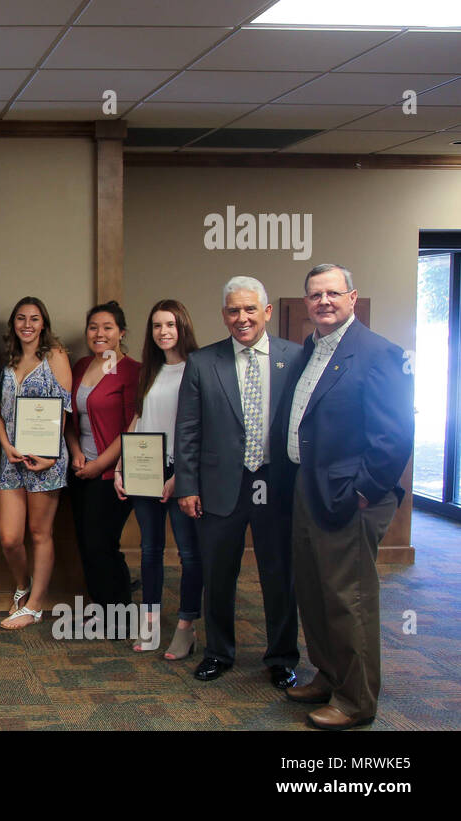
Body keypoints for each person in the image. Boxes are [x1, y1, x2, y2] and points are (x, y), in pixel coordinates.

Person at [275, 264, 412, 730]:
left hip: (349, 497)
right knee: (313, 592)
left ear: (353, 298)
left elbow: (394, 437)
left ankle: (355, 702)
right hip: (309, 487)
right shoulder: (311, 348)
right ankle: (328, 675)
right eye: (315, 295)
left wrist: (362, 492)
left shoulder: (379, 354)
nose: (324, 302)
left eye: (333, 293)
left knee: (348, 598)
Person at [174, 277, 300, 688]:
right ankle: (218, 653)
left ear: (265, 312)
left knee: (279, 575)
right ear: (224, 315)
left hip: (276, 484)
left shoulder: (295, 358)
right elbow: (187, 430)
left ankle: (281, 656)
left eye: (250, 309)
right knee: (219, 574)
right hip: (219, 486)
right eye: (233, 310)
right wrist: (188, 485)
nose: (241, 318)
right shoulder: (202, 362)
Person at [114, 300, 201, 658]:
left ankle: (185, 627)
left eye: (170, 324)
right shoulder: (148, 371)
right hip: (145, 468)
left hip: (181, 471)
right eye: (156, 326)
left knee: (188, 553)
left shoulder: (199, 369)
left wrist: (181, 475)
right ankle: (149, 623)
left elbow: (203, 430)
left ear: (182, 327)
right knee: (149, 551)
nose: (163, 332)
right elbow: (138, 420)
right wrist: (121, 465)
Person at [0, 297, 71, 629]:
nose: (27, 324)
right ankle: (22, 587)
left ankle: (36, 604)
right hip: (11, 459)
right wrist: (7, 445)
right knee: (10, 538)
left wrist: (51, 453)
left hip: (47, 461)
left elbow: (64, 409)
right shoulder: (7, 361)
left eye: (34, 319)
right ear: (13, 324)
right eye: (21, 318)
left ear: (43, 324)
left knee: (40, 533)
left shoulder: (55, 356)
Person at [65, 301, 139, 608]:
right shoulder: (81, 366)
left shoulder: (133, 371)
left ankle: (119, 610)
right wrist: (76, 453)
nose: (99, 333)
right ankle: (99, 606)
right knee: (85, 543)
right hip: (80, 468)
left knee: (102, 544)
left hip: (113, 473)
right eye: (93, 327)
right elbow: (69, 419)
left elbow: (131, 428)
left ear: (121, 333)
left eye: (107, 327)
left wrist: (99, 465)